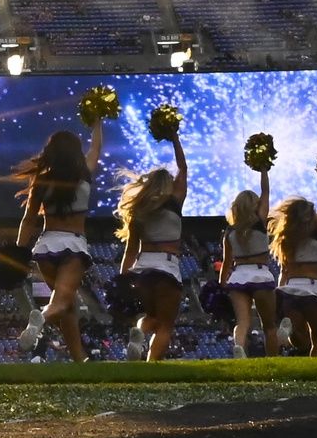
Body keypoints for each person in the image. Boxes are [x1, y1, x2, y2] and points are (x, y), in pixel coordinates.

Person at [12, 115, 106, 363]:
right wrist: (97, 121)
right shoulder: (83, 174)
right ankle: (41, 318)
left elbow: (28, 220)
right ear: (75, 151)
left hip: (46, 246)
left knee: (69, 304)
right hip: (73, 244)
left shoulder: (41, 180)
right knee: (62, 301)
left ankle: (79, 359)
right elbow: (96, 148)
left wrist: (19, 251)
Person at [114, 127, 187, 361]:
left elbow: (131, 249)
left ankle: (141, 330)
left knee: (150, 317)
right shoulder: (175, 202)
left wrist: (123, 278)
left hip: (142, 268)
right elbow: (183, 169)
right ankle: (151, 365)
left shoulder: (139, 211)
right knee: (166, 324)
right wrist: (174, 137)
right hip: (167, 266)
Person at [220, 175, 280, 358]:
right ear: (255, 205)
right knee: (269, 325)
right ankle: (273, 360)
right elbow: (266, 191)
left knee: (242, 322)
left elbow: (226, 262)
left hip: (238, 276)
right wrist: (263, 169)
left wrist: (222, 282)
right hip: (260, 274)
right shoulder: (259, 223)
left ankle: (239, 346)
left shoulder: (229, 233)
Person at [269, 189, 317, 356]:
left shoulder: (286, 240)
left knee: (299, 339)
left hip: (290, 289)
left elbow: (284, 271)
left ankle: (291, 330)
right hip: (313, 290)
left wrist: (280, 293)